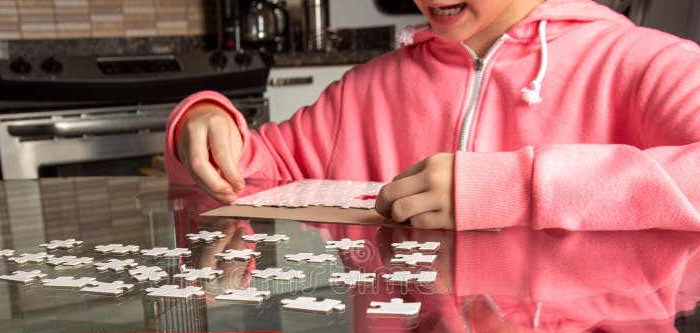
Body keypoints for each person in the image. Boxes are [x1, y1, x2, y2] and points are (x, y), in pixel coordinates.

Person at [164, 0, 700, 231]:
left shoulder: (640, 62)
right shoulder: (369, 88)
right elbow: (250, 172)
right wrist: (207, 121)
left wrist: (517, 188)